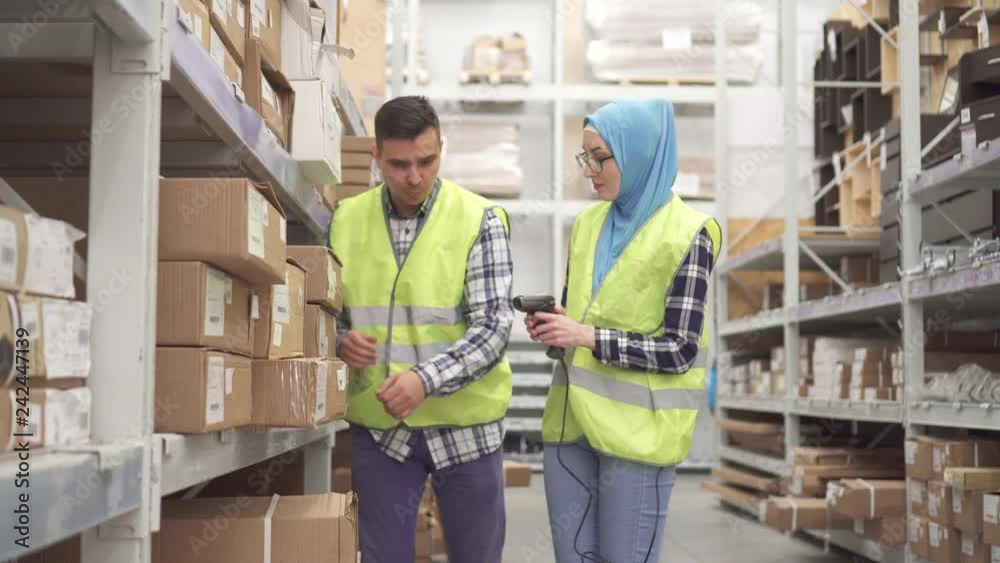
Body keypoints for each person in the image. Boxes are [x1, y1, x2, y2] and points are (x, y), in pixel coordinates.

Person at [525, 99, 721, 562]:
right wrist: (556, 323)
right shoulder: (588, 222)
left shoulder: (689, 234)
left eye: (601, 158)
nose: (589, 170)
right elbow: (585, 310)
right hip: (571, 424)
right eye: (584, 157)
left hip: (639, 436)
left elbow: (679, 350)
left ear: (638, 154)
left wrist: (587, 337)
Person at [328, 96, 514, 563]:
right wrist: (338, 340)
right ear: (377, 157)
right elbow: (324, 313)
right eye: (399, 164)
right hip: (381, 430)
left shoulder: (479, 219)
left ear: (440, 150)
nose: (414, 176)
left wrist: (423, 380)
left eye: (426, 161)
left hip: (466, 428)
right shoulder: (347, 219)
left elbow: (492, 328)